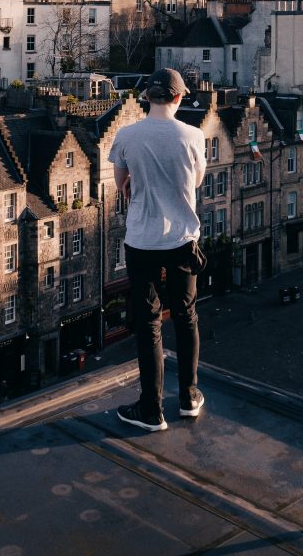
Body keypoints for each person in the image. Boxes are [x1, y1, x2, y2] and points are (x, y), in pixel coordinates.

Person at [108, 68, 207, 431]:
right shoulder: (193, 135)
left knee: (149, 322)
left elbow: (120, 183)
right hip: (181, 239)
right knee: (186, 316)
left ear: (147, 98)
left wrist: (136, 181)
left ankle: (151, 410)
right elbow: (196, 180)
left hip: (142, 240)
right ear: (178, 98)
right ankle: (189, 397)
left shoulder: (127, 135)